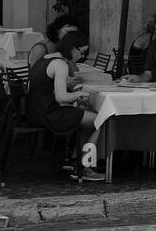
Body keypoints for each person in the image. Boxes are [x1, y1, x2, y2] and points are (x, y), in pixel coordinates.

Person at [27, 28, 105, 181]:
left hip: (35, 112)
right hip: (50, 114)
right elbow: (62, 98)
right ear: (72, 48)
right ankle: (85, 166)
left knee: (84, 116)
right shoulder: (60, 64)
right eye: (81, 52)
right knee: (100, 120)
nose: (82, 57)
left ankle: (76, 160)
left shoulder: (44, 59)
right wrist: (80, 94)